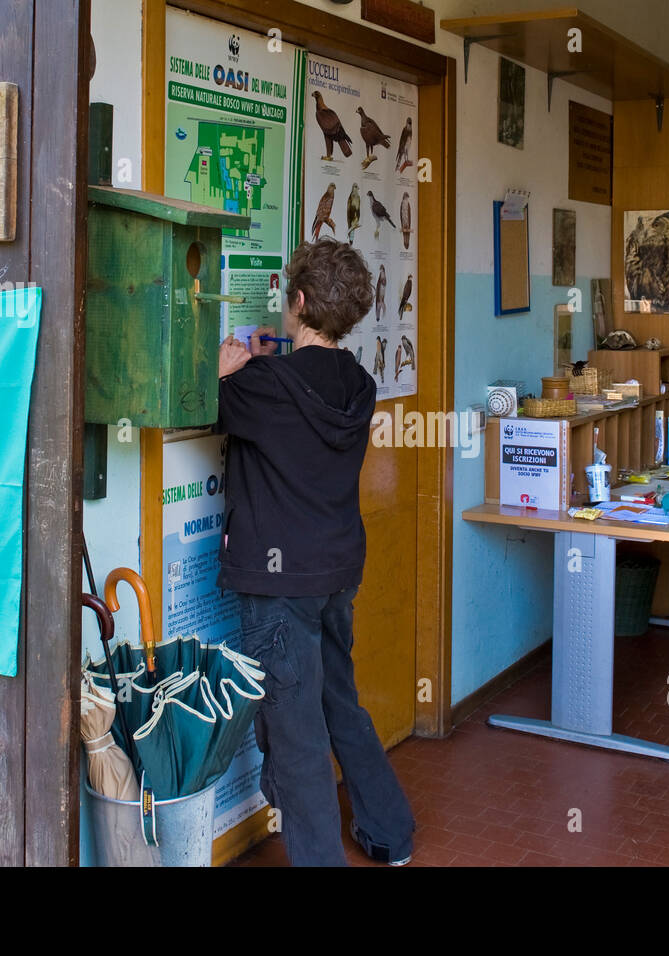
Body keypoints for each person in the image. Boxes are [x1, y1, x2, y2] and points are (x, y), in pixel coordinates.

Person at [216, 238, 415, 865]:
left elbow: (216, 400)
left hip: (280, 585)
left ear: (297, 303)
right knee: (337, 701)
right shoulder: (360, 383)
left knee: (297, 738)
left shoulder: (264, 385)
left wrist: (228, 367)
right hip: (336, 573)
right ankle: (390, 831)